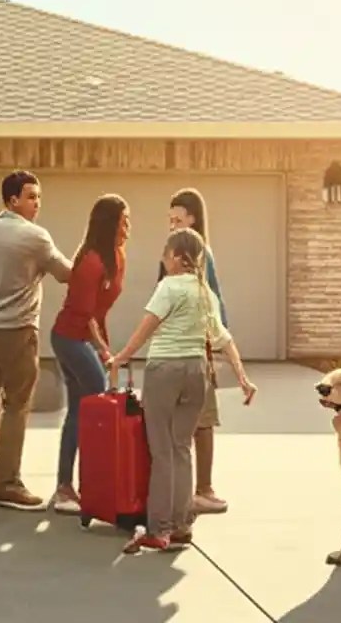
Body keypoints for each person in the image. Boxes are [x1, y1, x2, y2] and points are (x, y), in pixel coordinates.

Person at [109, 228, 256, 550]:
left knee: (161, 452)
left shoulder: (169, 286)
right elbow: (222, 338)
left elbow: (146, 328)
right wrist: (243, 377)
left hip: (165, 370)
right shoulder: (205, 292)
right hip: (196, 373)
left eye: (165, 255)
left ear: (175, 256)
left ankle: (158, 529)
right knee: (181, 449)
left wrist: (120, 358)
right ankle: (182, 526)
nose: (164, 261)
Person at [0, 170, 73, 510]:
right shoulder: (35, 237)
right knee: (16, 406)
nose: (37, 203)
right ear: (12, 200)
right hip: (17, 332)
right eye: (30, 196)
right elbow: (67, 273)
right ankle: (8, 483)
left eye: (38, 196)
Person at [47, 194, 130, 514]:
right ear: (109, 224)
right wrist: (104, 351)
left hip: (85, 336)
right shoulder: (92, 261)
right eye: (123, 222)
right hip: (70, 338)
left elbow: (101, 312)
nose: (128, 229)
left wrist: (104, 348)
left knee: (80, 411)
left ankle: (66, 487)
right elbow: (85, 316)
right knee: (99, 405)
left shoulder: (116, 256)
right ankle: (88, 485)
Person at [157, 187, 229, 515]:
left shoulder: (202, 255)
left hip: (198, 349)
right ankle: (195, 489)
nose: (172, 224)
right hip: (177, 351)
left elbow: (213, 300)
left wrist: (218, 344)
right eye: (169, 218)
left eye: (178, 218)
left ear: (193, 219)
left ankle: (203, 487)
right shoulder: (172, 252)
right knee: (191, 420)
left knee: (203, 419)